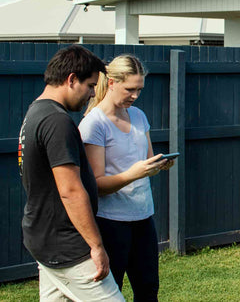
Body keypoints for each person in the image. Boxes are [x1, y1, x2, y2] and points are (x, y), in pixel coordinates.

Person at [18, 45, 124, 301]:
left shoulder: (35, 111)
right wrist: (97, 246)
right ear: (71, 79)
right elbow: (71, 191)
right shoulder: (57, 121)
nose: (91, 95)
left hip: (43, 238)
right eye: (89, 86)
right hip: (67, 246)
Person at [78, 54, 174, 301]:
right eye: (130, 89)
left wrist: (160, 164)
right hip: (111, 222)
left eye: (139, 90)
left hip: (143, 216)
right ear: (111, 83)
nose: (135, 96)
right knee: (112, 291)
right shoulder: (94, 124)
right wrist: (134, 173)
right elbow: (96, 184)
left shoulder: (139, 116)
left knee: (148, 288)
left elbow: (147, 159)